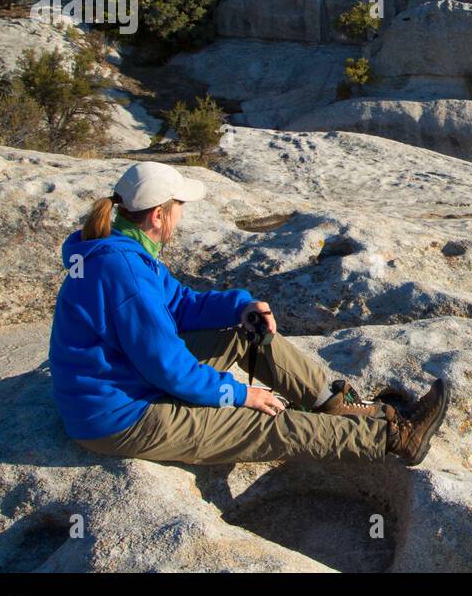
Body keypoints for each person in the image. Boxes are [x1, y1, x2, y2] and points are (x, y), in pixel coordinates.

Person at [48, 161, 449, 467]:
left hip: (126, 382)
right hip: (120, 416)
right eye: (180, 207)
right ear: (158, 215)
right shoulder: (126, 272)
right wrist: (241, 394)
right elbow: (168, 368)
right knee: (268, 421)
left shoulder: (124, 250)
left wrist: (240, 306)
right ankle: (394, 438)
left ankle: (336, 403)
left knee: (245, 334)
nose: (182, 215)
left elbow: (181, 304)